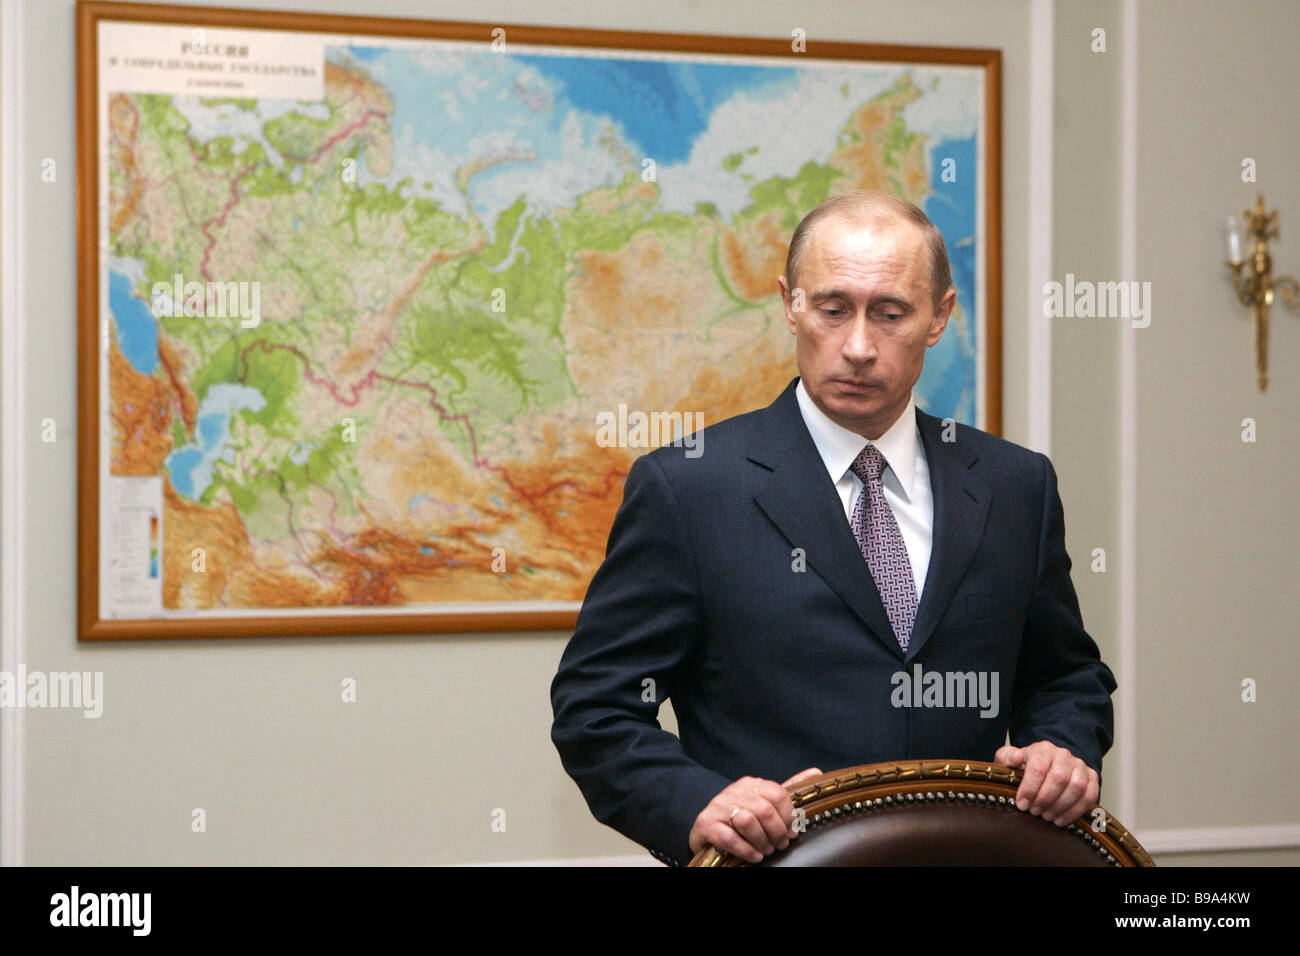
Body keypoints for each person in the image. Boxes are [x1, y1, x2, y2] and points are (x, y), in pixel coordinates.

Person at [549, 190, 1117, 866]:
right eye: (832, 309)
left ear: (940, 317)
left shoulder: (1016, 484)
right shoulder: (688, 488)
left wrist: (1063, 747)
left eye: (891, 313)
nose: (857, 347)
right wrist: (699, 800)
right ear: (791, 303)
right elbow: (596, 710)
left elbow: (1066, 676)